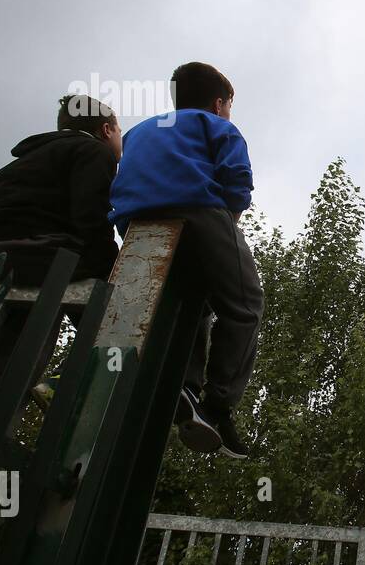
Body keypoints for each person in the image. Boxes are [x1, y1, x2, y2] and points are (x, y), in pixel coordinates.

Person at [108, 62, 262, 459]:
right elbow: (236, 182)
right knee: (244, 305)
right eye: (230, 105)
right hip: (198, 210)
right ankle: (218, 407)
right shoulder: (219, 127)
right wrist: (226, 228)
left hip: (137, 225)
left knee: (193, 302)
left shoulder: (139, 131)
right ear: (219, 102)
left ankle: (186, 388)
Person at [0, 94, 123, 418]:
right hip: (35, 254)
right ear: (107, 130)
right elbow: (90, 218)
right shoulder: (93, 152)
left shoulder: (25, 159)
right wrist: (112, 272)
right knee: (18, 361)